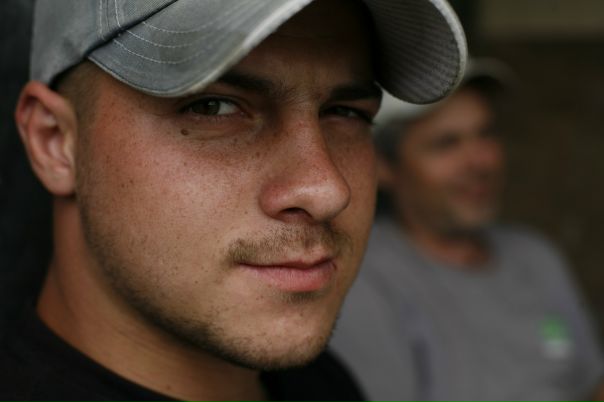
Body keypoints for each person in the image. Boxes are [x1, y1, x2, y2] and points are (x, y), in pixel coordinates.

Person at [0, 0, 467, 401]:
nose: (327, 190)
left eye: (344, 112)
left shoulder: (316, 383)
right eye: (214, 107)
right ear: (55, 142)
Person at [330, 60, 604, 402]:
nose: (481, 162)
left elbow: (591, 387)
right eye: (446, 144)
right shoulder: (364, 278)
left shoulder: (535, 256)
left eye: (485, 133)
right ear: (383, 166)